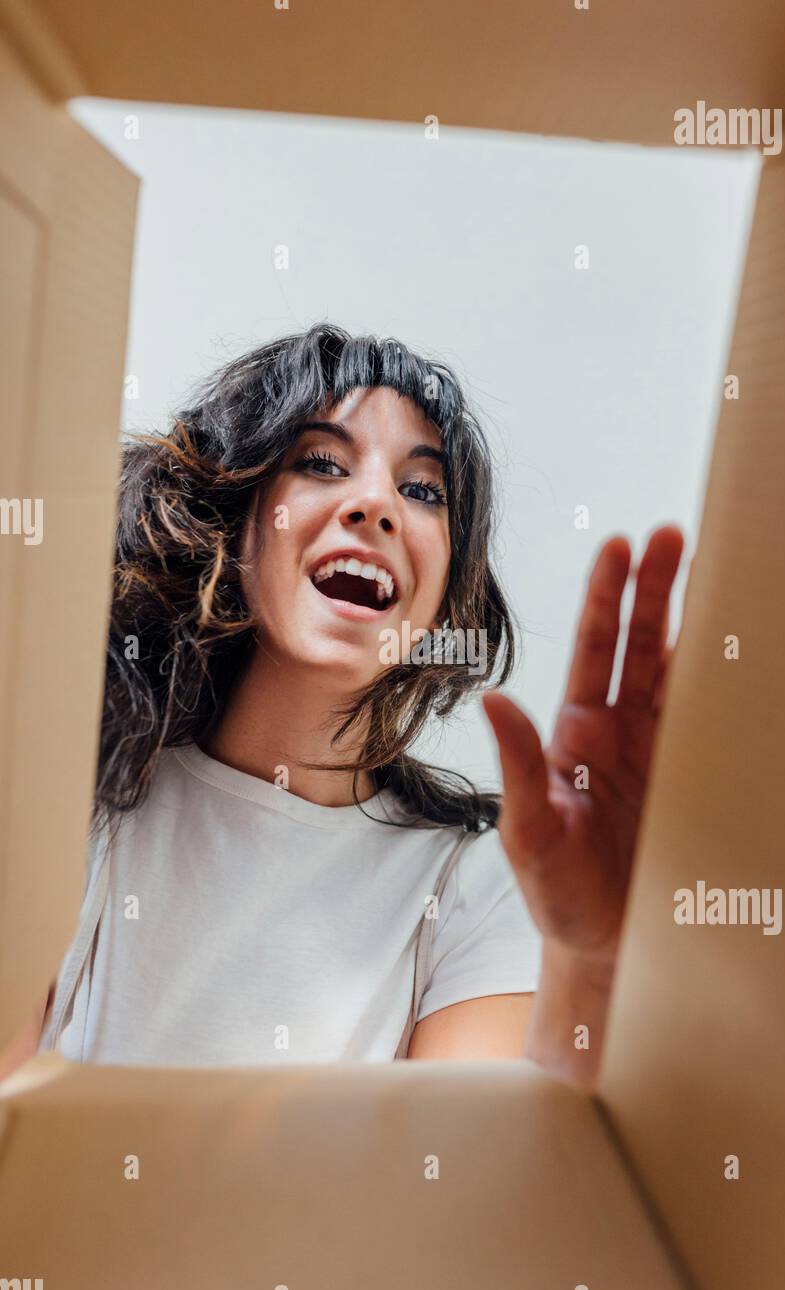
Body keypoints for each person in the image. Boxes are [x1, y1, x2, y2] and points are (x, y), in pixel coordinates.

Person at [10, 323, 684, 1087]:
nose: (376, 504)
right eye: (322, 464)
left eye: (422, 490)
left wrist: (591, 962)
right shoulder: (84, 803)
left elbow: (479, 1185)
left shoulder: (473, 885)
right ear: (235, 525)